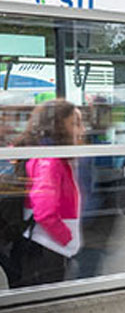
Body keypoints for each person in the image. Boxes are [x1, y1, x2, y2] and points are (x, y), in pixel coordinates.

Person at [8, 100, 85, 288]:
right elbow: (44, 212)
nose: (81, 130)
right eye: (75, 123)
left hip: (42, 247)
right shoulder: (50, 161)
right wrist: (67, 239)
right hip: (44, 250)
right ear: (58, 126)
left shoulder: (47, 156)